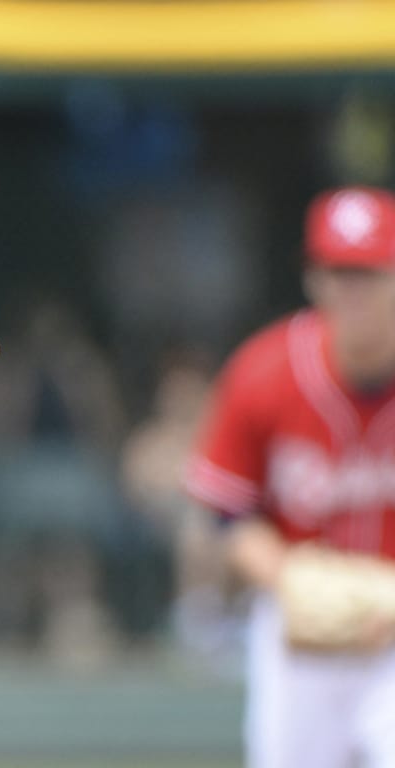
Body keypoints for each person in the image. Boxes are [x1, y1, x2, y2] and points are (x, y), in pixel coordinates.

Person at [186, 185, 395, 768]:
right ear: (313, 277)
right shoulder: (265, 370)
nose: (352, 291)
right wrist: (295, 582)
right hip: (300, 637)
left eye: (369, 273)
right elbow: (228, 510)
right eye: (339, 272)